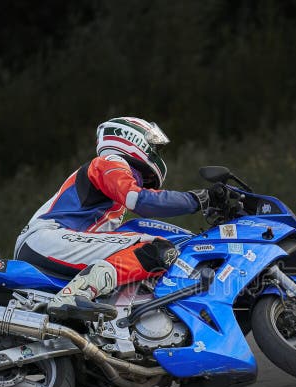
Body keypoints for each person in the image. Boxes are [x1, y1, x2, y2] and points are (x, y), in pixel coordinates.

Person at [14, 117, 210, 318]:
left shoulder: (112, 179)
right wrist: (199, 199)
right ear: (134, 138)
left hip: (50, 242)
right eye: (155, 148)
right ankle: (73, 296)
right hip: (48, 238)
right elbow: (140, 200)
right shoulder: (110, 162)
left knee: (138, 247)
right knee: (158, 249)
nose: (157, 154)